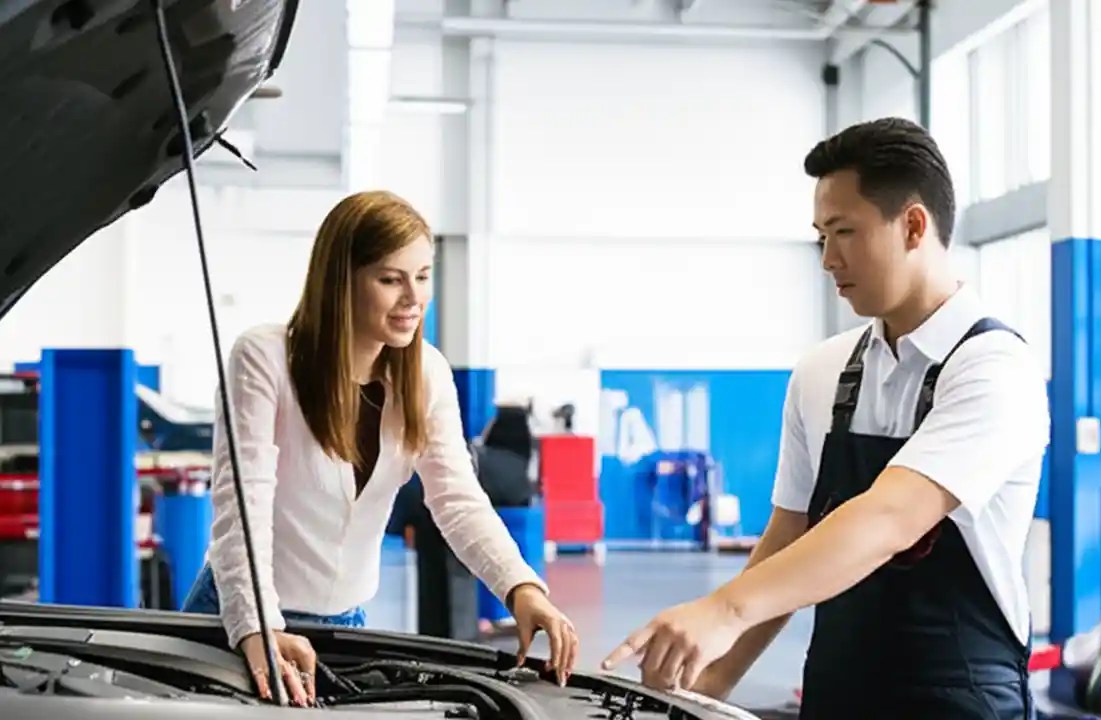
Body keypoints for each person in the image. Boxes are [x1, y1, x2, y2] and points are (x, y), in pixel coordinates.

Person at [601, 117, 1048, 719]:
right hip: (838, 693)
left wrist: (724, 609)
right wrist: (701, 692)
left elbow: (892, 516)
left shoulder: (994, 369)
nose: (828, 260)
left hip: (961, 699)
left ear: (914, 225)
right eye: (820, 236)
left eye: (845, 232)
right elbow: (790, 537)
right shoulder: (822, 371)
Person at [183, 190, 579, 705]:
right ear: (340, 281)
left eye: (422, 275)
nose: (413, 298)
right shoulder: (265, 358)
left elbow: (457, 500)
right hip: (238, 619)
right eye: (390, 279)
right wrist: (255, 628)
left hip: (344, 626)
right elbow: (243, 502)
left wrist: (520, 587)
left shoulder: (426, 373)